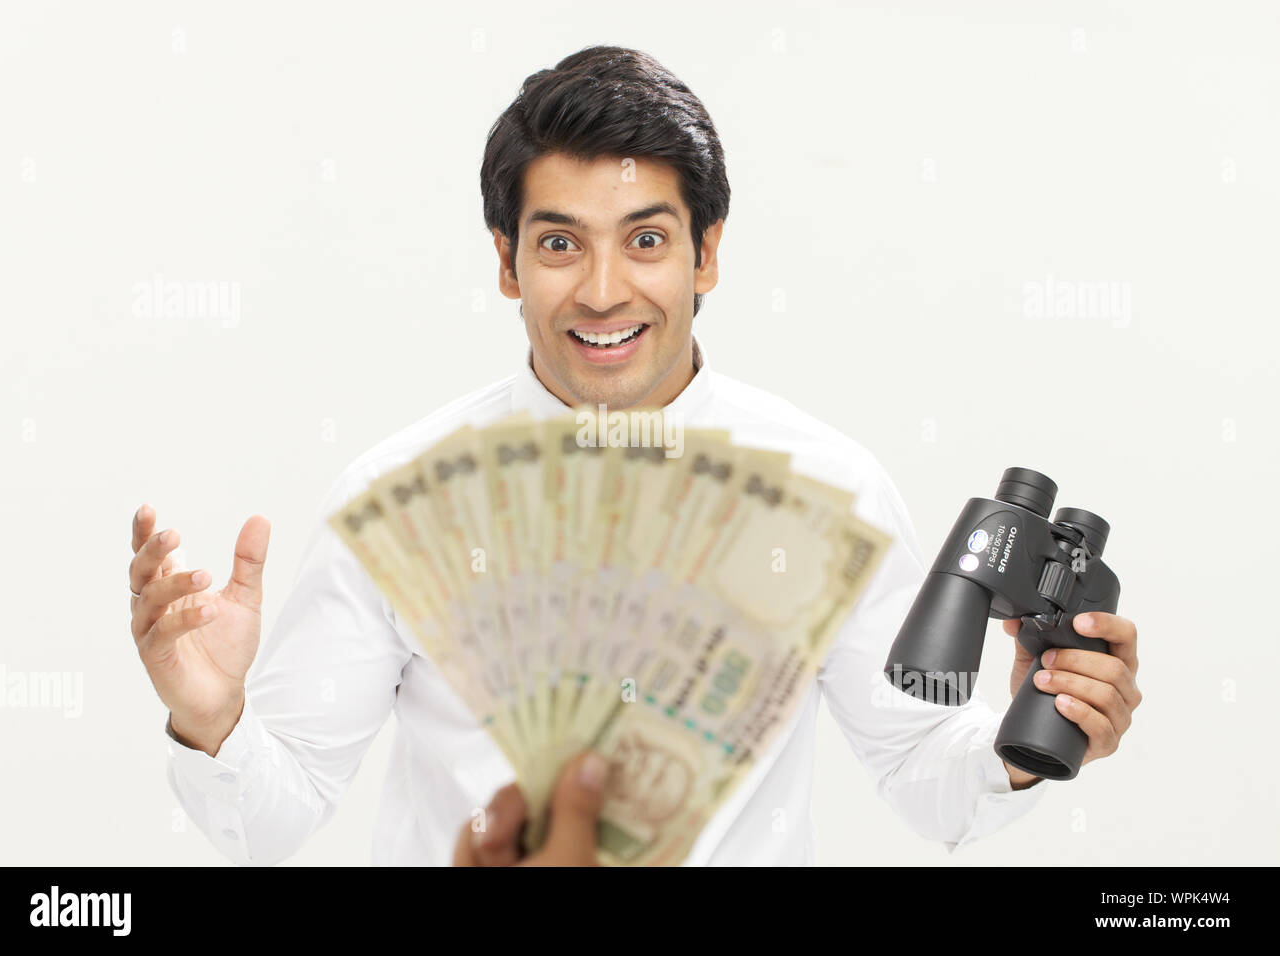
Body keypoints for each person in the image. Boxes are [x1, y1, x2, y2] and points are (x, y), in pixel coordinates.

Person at [128, 45, 1141, 867]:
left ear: (707, 252)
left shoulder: (832, 491)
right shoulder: (395, 497)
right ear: (506, 261)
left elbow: (926, 776)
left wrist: (1029, 736)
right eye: (560, 243)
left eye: (646, 241)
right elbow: (273, 816)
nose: (604, 290)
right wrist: (212, 719)